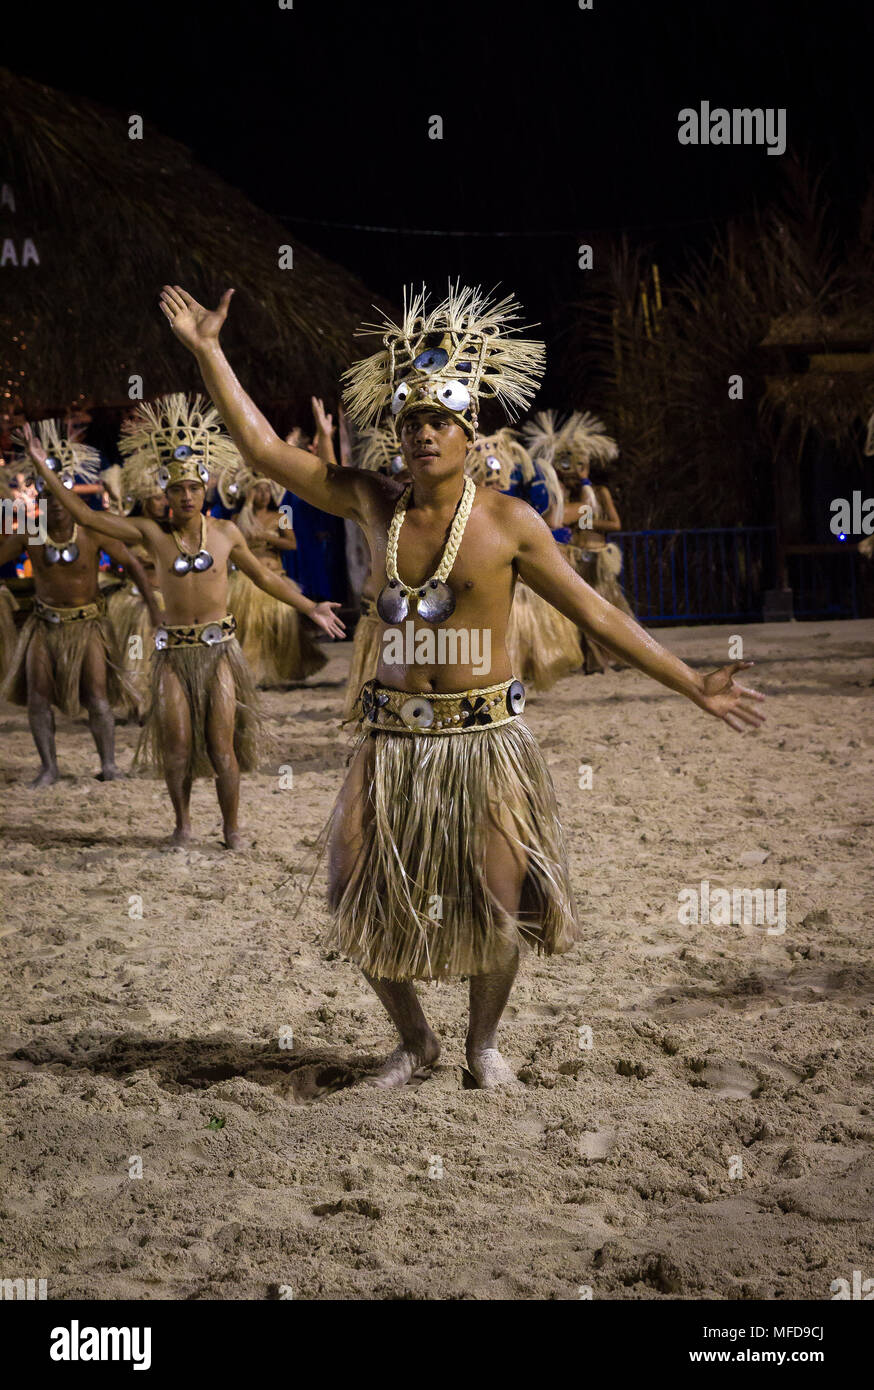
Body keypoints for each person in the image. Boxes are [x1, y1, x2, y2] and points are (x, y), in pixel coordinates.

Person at [158, 281, 765, 1088]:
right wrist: (209, 353)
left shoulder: (509, 522)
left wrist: (693, 681)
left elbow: (599, 615)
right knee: (350, 890)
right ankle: (416, 1042)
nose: (420, 434)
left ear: (468, 430)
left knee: (500, 898)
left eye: (437, 419)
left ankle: (482, 1045)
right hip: (393, 740)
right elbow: (267, 451)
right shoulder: (373, 503)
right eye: (408, 422)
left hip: (484, 742)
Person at [24, 394, 345, 846]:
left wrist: (309, 606)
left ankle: (232, 830)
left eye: (194, 488)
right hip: (175, 654)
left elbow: (264, 579)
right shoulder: (152, 534)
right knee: (175, 748)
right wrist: (44, 469)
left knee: (221, 747)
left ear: (204, 489)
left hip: (219, 654)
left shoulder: (227, 533)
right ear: (166, 495)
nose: (187, 496)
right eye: (177, 490)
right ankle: (182, 825)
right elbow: (82, 513)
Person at [0, 419, 149, 785]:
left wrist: (155, 606)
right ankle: (49, 767)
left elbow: (131, 564)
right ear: (40, 500)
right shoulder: (28, 534)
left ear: (74, 499)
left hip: (88, 626)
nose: (57, 506)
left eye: (63, 498)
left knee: (97, 698)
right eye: (48, 498)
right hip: (44, 625)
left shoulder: (94, 529)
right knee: (38, 699)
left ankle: (109, 765)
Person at [467, 428, 581, 691]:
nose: (494, 486)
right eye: (487, 482)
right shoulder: (468, 512)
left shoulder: (516, 514)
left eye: (498, 482)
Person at [524, 410, 635, 673]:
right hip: (575, 556)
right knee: (580, 611)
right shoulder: (563, 496)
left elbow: (615, 524)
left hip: (597, 558)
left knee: (606, 607)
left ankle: (615, 655)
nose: (573, 469)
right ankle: (588, 660)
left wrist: (585, 517)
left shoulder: (597, 493)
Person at [219, 462, 328, 687]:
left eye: (267, 489)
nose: (263, 494)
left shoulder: (281, 515)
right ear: (249, 492)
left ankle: (278, 670)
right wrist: (248, 510)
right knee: (251, 630)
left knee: (278, 627)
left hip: (275, 575)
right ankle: (252, 672)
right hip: (245, 581)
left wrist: (268, 537)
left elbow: (292, 543)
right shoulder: (238, 517)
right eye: (258, 489)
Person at [103, 446, 167, 719]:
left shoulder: (171, 530)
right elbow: (116, 560)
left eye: (165, 497)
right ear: (143, 500)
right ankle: (135, 699)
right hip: (134, 601)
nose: (163, 502)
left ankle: (162, 700)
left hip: (164, 600)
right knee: (136, 652)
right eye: (156, 498)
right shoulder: (129, 529)